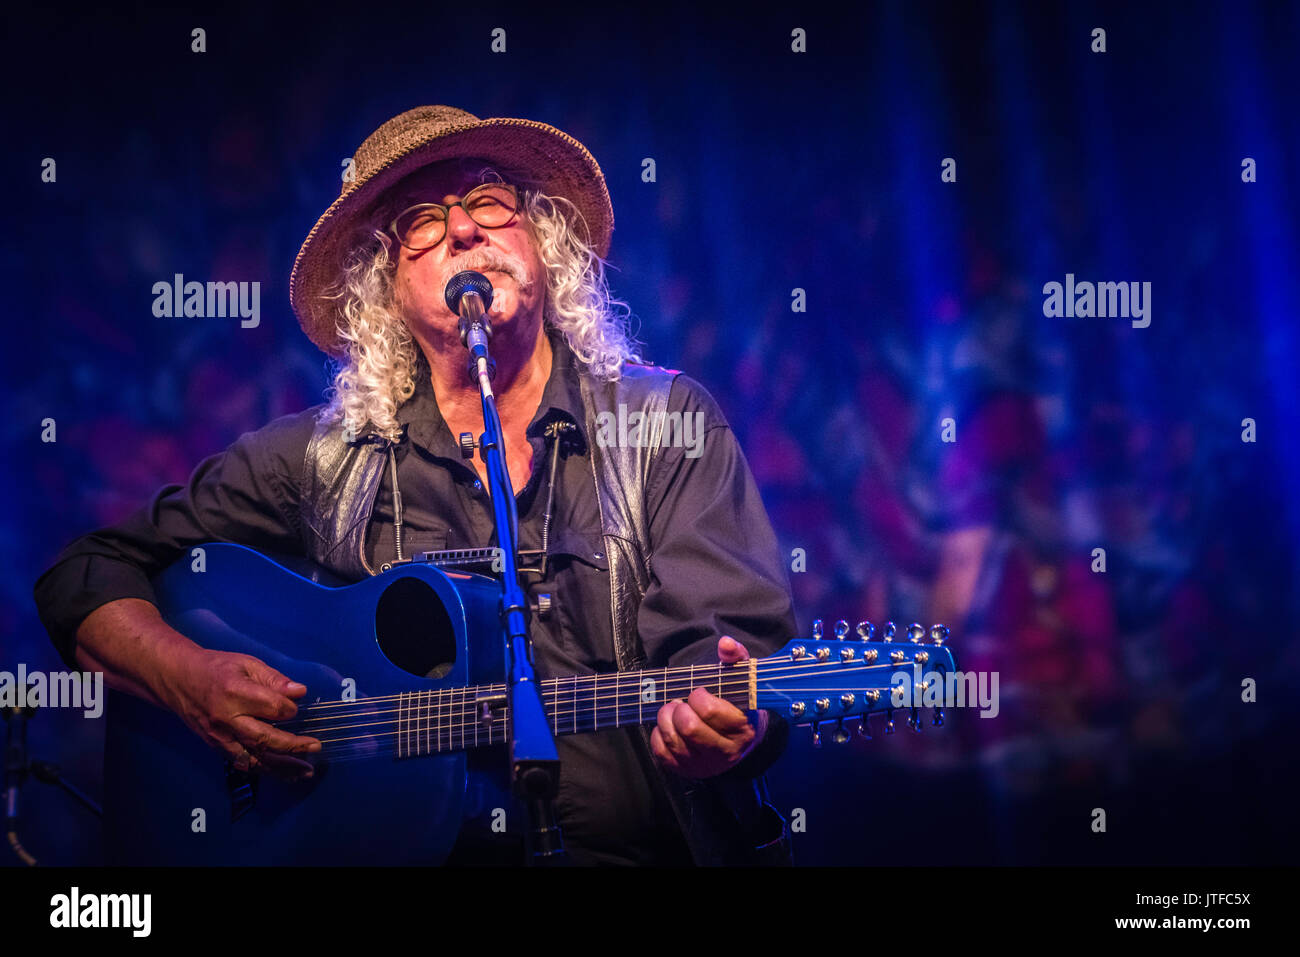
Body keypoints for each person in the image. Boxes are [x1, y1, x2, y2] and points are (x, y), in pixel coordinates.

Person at [33, 105, 798, 866]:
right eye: (423, 223)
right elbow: (84, 574)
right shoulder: (322, 460)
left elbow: (726, 659)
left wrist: (725, 727)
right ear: (384, 291)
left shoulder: (664, 422)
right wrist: (191, 681)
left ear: (543, 242)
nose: (464, 230)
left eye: (491, 201)